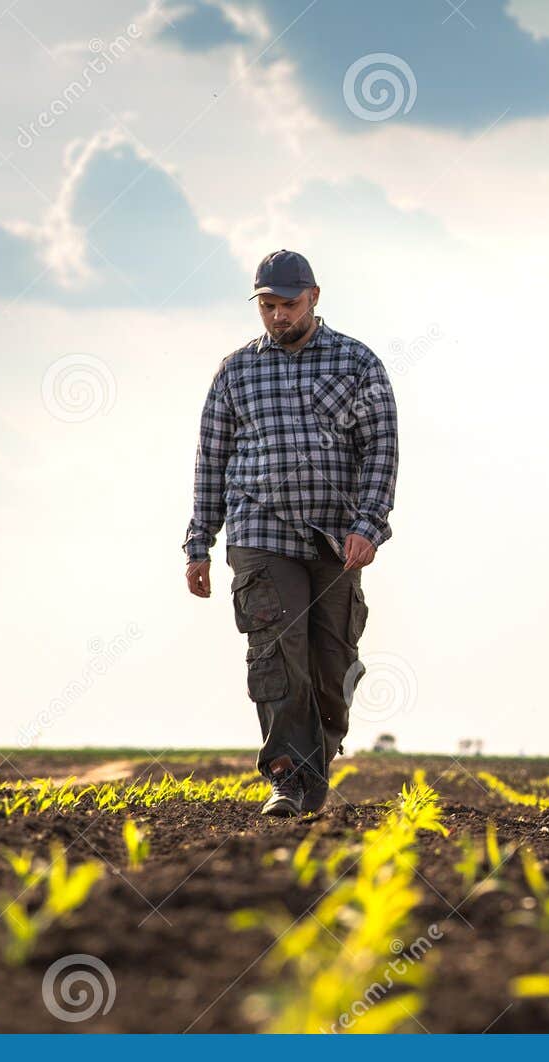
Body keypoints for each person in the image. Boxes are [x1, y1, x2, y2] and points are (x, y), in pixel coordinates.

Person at [183, 249, 398, 817]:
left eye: (287, 304)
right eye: (267, 306)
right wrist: (198, 541)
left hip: (336, 540)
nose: (277, 316)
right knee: (277, 657)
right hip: (260, 533)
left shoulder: (358, 365)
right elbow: (211, 458)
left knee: (332, 667)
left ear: (315, 297)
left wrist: (368, 526)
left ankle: (314, 770)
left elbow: (381, 452)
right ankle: (285, 776)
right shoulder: (236, 371)